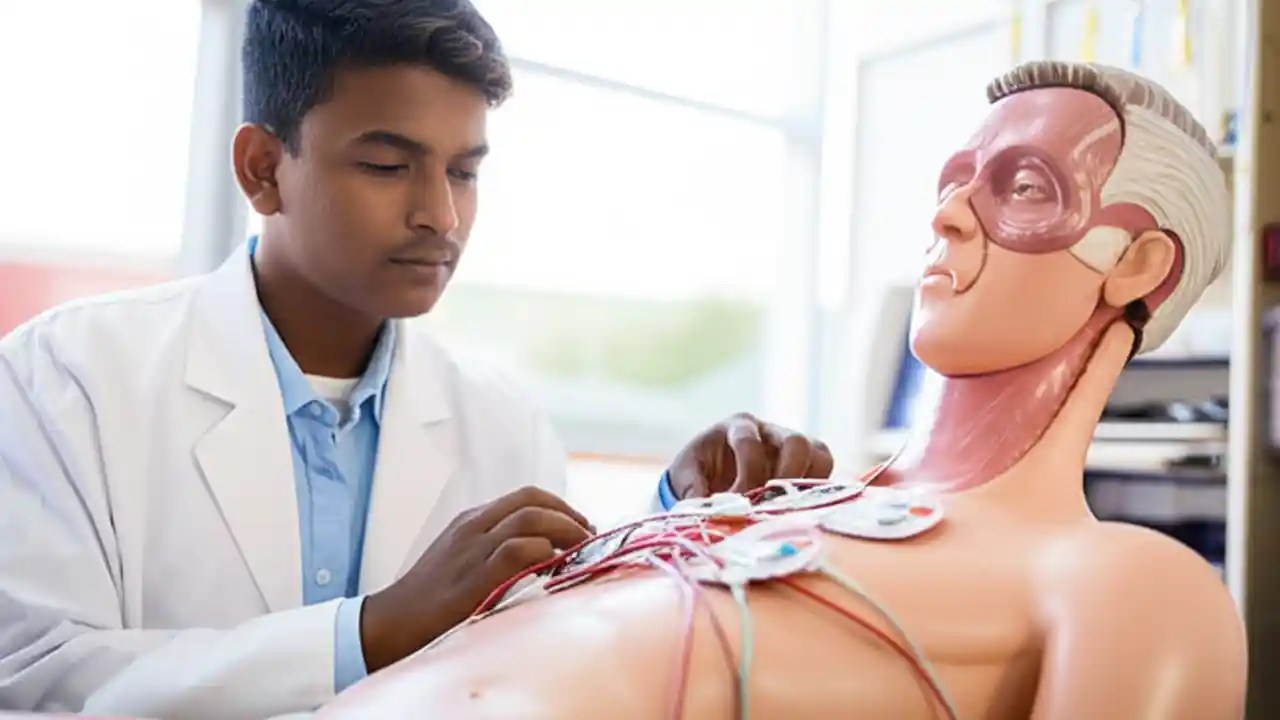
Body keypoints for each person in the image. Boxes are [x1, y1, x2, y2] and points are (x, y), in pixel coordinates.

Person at [316, 61, 1248, 719]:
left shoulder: (1123, 580)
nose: (947, 215)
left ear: (1136, 262)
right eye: (955, 182)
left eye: (1025, 187)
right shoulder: (776, 501)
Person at [0, 1, 833, 717]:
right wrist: (369, 633)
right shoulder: (66, 378)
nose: (441, 215)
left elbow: (550, 652)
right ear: (262, 170)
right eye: (387, 166)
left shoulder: (500, 420)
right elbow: (31, 682)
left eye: (463, 172)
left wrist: (674, 516)